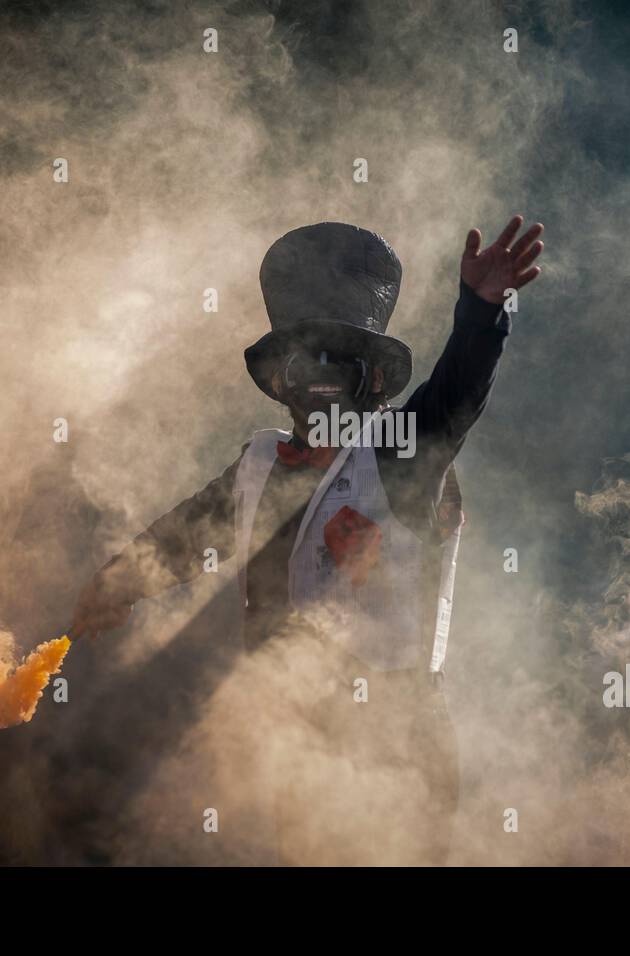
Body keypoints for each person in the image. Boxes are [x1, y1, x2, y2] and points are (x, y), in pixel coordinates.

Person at [70, 216, 543, 863]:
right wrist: (118, 583)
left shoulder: (403, 452)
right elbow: (186, 534)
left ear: (372, 381)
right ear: (280, 382)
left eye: (333, 362)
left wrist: (481, 315)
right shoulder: (258, 465)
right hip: (298, 740)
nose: (316, 380)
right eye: (303, 361)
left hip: (397, 741)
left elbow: (454, 398)